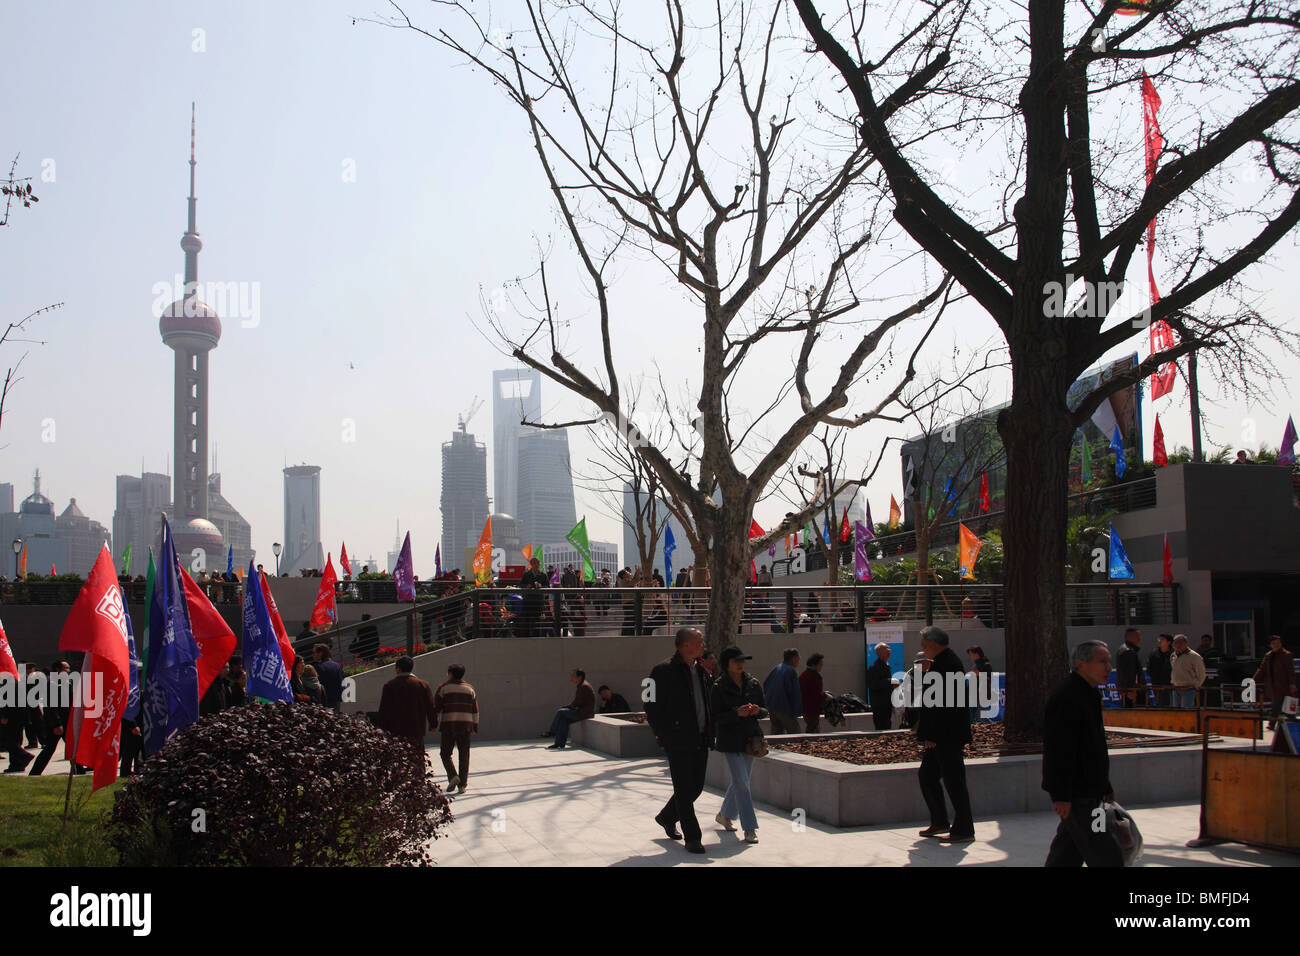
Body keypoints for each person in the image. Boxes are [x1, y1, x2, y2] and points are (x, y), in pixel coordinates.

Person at [1043, 640, 1122, 867]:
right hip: (1078, 795)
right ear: (1081, 664)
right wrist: (1061, 795)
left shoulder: (1089, 694)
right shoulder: (1066, 698)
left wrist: (1104, 785)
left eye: (1109, 662)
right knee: (1105, 852)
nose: (1109, 668)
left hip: (1091, 790)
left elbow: (1093, 747)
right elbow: (1059, 750)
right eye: (1102, 662)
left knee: (1067, 851)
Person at [645, 628, 712, 854]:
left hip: (700, 738)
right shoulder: (662, 670)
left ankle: (666, 817)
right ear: (685, 646)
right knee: (684, 789)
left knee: (695, 787)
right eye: (699, 641)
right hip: (677, 739)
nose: (703, 644)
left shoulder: (701, 670)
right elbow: (649, 703)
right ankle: (693, 837)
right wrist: (663, 734)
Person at [916, 626, 974, 843]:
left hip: (946, 736)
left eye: (924, 645)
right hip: (943, 735)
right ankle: (940, 820)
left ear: (934, 644)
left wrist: (931, 735)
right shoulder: (942, 664)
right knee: (928, 776)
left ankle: (964, 829)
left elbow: (943, 707)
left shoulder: (947, 666)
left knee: (954, 781)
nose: (923, 649)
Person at [711, 645, 767, 844]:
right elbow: (715, 716)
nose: (741, 664)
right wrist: (737, 713)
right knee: (743, 784)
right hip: (730, 740)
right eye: (736, 661)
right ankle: (750, 827)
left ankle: (725, 815)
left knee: (740, 782)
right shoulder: (718, 687)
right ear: (727, 664)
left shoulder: (753, 683)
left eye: (742, 661)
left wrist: (755, 710)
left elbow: (764, 710)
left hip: (751, 739)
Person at [376, 656, 438, 755]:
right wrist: (433, 723)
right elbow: (430, 706)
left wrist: (381, 726)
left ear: (398, 669)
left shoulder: (389, 685)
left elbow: (384, 708)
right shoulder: (422, 685)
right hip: (416, 728)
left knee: (399, 757)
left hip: (395, 728)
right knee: (417, 757)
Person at [433, 663, 478, 794]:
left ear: (450, 674)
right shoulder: (470, 689)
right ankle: (462, 785)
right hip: (466, 725)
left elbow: (437, 708)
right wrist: (475, 725)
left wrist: (433, 723)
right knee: (464, 754)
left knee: (445, 753)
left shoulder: (443, 688)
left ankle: (453, 776)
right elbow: (475, 709)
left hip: (449, 725)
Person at [545, 669, 596, 750]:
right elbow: (577, 702)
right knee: (563, 720)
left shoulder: (584, 686)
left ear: (579, 677)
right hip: (580, 711)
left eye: (573, 676)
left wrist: (567, 707)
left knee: (561, 712)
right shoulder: (581, 685)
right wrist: (567, 707)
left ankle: (552, 731)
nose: (571, 678)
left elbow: (578, 702)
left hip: (584, 713)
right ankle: (559, 743)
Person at [1253, 635, 1297, 727]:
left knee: (1279, 705)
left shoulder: (1287, 655)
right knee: (1280, 706)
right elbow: (1262, 669)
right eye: (1274, 643)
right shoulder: (1268, 656)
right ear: (1270, 645)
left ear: (1281, 644)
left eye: (1278, 643)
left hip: (1284, 686)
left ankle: (1272, 723)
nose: (1276, 645)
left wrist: (1292, 684)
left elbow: (1290, 671)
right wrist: (1253, 680)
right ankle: (1292, 721)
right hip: (1273, 685)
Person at [762, 649, 802, 735]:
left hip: (772, 707)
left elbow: (765, 684)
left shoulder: (776, 668)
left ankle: (773, 748)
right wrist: (796, 710)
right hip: (784, 707)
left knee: (776, 734)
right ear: (793, 658)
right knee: (795, 733)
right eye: (798, 658)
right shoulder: (791, 671)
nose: (799, 661)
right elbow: (793, 692)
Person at [1170, 634, 1206, 709]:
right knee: (1175, 712)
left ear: (1186, 644)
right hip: (1176, 688)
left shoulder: (1194, 656)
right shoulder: (1173, 655)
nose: (1177, 645)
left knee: (1186, 712)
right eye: (1176, 643)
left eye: (1180, 643)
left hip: (1189, 689)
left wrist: (1196, 686)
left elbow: (1201, 674)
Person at [867, 643, 896, 730]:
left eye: (889, 648)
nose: (889, 650)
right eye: (886, 649)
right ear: (879, 653)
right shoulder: (875, 667)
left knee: (887, 725)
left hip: (887, 703)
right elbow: (873, 684)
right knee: (881, 727)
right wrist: (890, 681)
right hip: (879, 705)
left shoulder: (886, 665)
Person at [1115, 628, 1146, 708]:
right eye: (1137, 636)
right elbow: (1129, 673)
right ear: (1129, 637)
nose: (1140, 638)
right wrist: (1130, 690)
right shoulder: (1128, 652)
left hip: (1129, 690)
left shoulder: (1127, 650)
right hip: (1132, 691)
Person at [519, 557, 549, 637]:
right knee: (527, 621)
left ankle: (536, 638)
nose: (536, 565)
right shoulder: (526, 574)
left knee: (537, 622)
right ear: (531, 564)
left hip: (538, 602)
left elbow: (547, 587)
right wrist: (526, 586)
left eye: (538, 563)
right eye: (534, 563)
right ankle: (527, 638)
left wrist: (541, 586)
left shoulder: (543, 575)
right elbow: (521, 585)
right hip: (528, 602)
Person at [312, 643, 345, 711]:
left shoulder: (318, 667)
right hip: (337, 699)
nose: (312, 655)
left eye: (314, 652)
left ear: (320, 653)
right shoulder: (337, 665)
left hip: (324, 701)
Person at [799, 653, 826, 733]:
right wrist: (824, 696)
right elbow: (815, 695)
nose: (821, 667)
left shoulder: (803, 675)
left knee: (811, 727)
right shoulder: (815, 677)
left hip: (805, 708)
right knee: (813, 729)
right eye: (820, 665)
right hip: (812, 709)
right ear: (814, 665)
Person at [1147, 634, 1174, 707]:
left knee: (1170, 703)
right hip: (1157, 683)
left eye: (1162, 639)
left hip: (1170, 684)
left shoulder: (1174, 654)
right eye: (1159, 639)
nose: (1159, 641)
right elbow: (1149, 667)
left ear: (1169, 642)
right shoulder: (1154, 653)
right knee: (1159, 703)